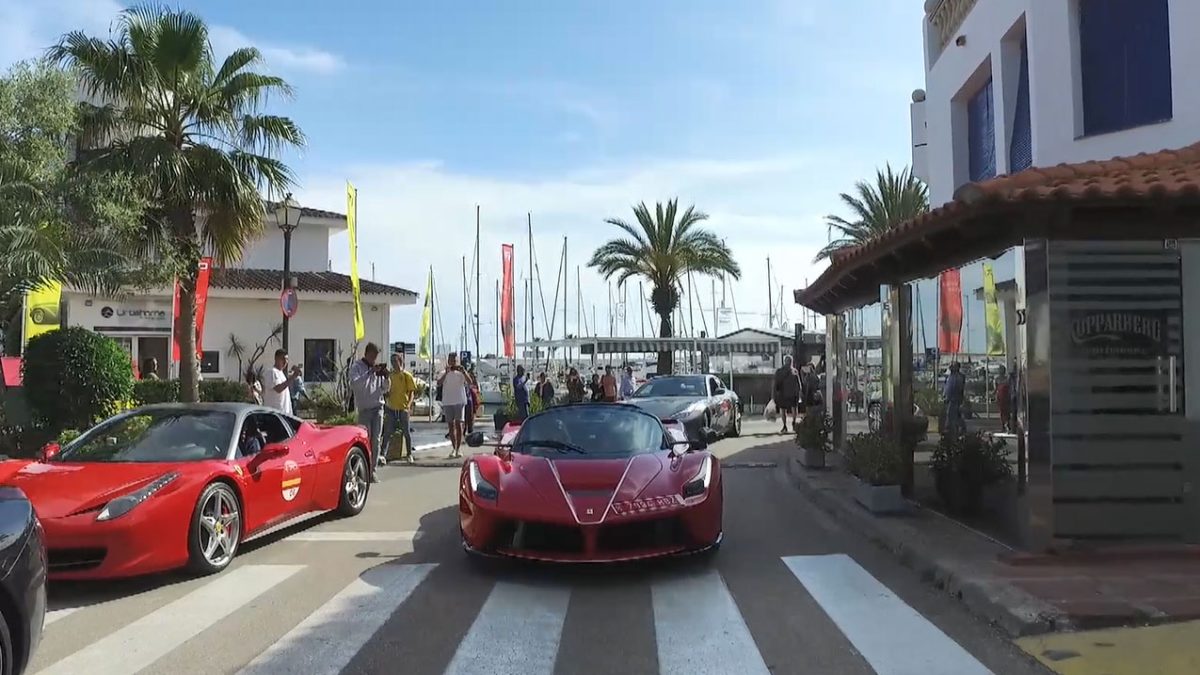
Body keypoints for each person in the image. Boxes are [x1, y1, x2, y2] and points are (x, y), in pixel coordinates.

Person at [350, 343, 391, 480]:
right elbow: (355, 385)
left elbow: (385, 389)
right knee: (364, 440)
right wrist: (369, 372)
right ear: (367, 353)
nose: (374, 359)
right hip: (365, 409)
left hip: (378, 407)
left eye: (376, 357)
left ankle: (373, 470)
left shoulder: (377, 369)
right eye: (373, 356)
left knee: (376, 440)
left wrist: (386, 377)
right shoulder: (357, 367)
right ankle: (363, 470)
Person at [382, 353, 417, 464]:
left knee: (406, 432)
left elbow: (411, 392)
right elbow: (386, 390)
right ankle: (383, 454)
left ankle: (409, 454)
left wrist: (408, 405)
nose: (393, 363)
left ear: (400, 362)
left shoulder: (406, 375)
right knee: (387, 432)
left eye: (395, 361)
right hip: (391, 407)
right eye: (392, 361)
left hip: (403, 408)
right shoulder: (390, 376)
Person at [438, 352, 470, 458]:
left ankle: (458, 448)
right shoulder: (444, 372)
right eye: (451, 360)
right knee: (451, 426)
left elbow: (470, 382)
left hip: (459, 401)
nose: (453, 362)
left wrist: (464, 371)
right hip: (448, 401)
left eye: (455, 360)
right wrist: (446, 372)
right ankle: (453, 448)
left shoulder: (461, 373)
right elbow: (439, 383)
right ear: (448, 361)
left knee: (459, 425)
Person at [264, 349, 303, 414]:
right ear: (276, 359)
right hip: (274, 414)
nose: (285, 361)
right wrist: (293, 377)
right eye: (283, 359)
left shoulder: (281, 374)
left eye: (287, 359)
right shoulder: (272, 372)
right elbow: (278, 389)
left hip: (284, 413)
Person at [773, 355, 801, 433]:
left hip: (783, 394)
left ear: (784, 362)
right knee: (794, 409)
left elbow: (775, 384)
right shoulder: (795, 371)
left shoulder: (779, 371)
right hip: (793, 394)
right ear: (791, 362)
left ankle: (784, 426)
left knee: (783, 410)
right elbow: (798, 384)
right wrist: (799, 393)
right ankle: (794, 422)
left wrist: (774, 395)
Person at [943, 361, 966, 436]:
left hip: (955, 399)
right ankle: (957, 429)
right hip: (950, 398)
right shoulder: (950, 376)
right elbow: (947, 387)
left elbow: (956, 388)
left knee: (951, 414)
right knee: (954, 415)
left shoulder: (959, 377)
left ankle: (952, 430)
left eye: (954, 366)